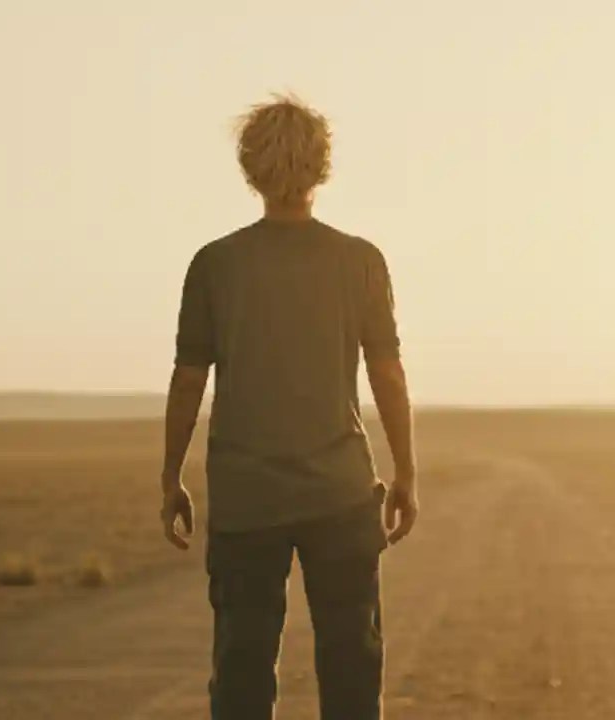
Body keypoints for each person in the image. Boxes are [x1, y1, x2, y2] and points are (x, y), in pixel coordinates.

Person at [158, 93, 419, 720]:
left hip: (248, 501)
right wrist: (405, 471)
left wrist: (171, 476)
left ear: (250, 168)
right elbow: (386, 372)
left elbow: (188, 378)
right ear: (322, 165)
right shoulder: (359, 261)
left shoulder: (215, 264)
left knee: (243, 677)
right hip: (340, 493)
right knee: (353, 671)